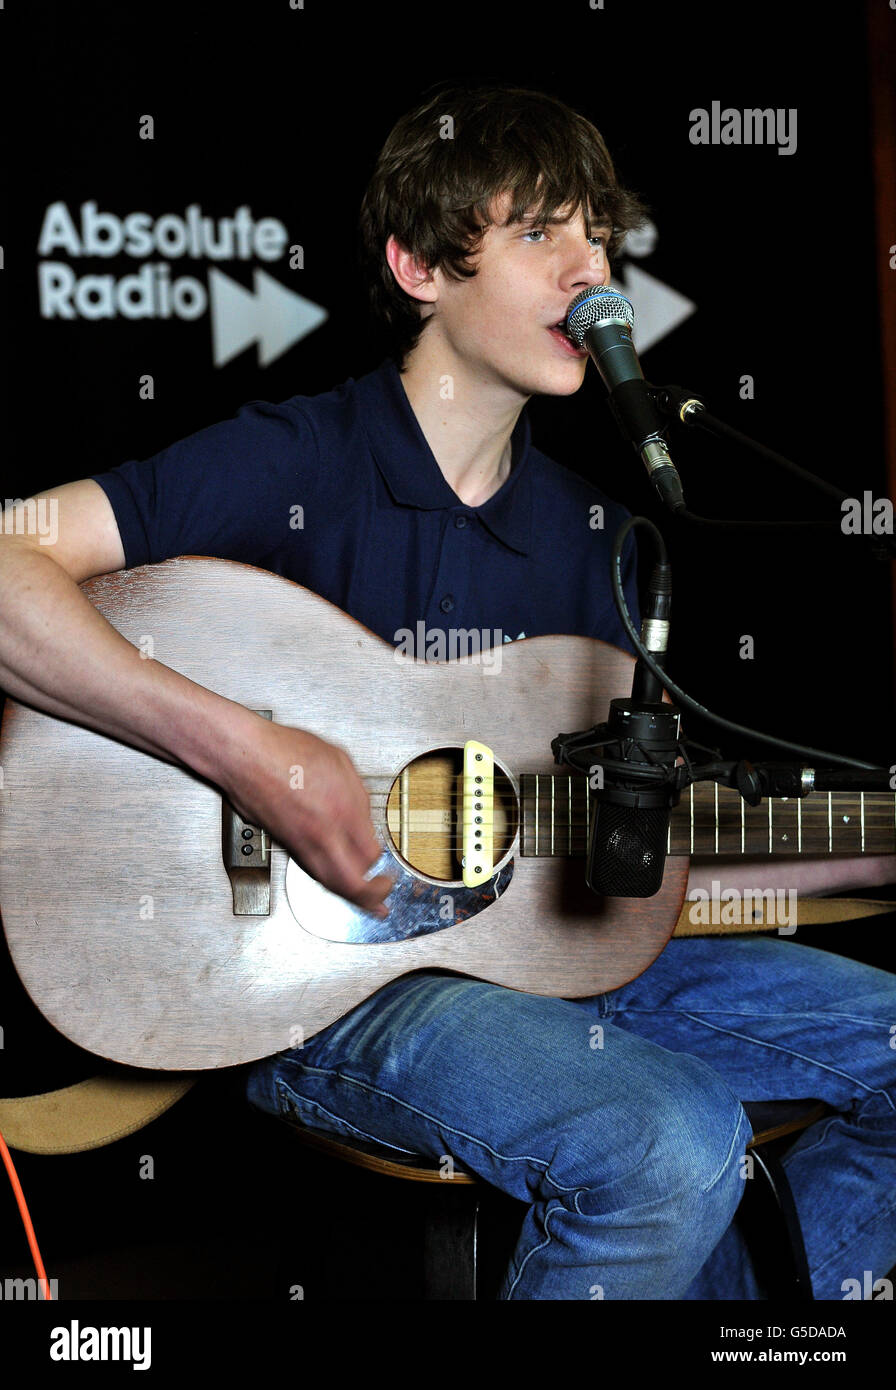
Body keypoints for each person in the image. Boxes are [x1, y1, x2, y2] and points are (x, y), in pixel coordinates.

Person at [1, 82, 894, 1300]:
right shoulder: (296, 455)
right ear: (419, 265)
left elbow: (599, 875)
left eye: (599, 236)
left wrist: (765, 845)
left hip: (552, 965)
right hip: (317, 989)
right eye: (541, 235)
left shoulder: (596, 541)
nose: (593, 274)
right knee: (667, 1137)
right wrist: (251, 755)